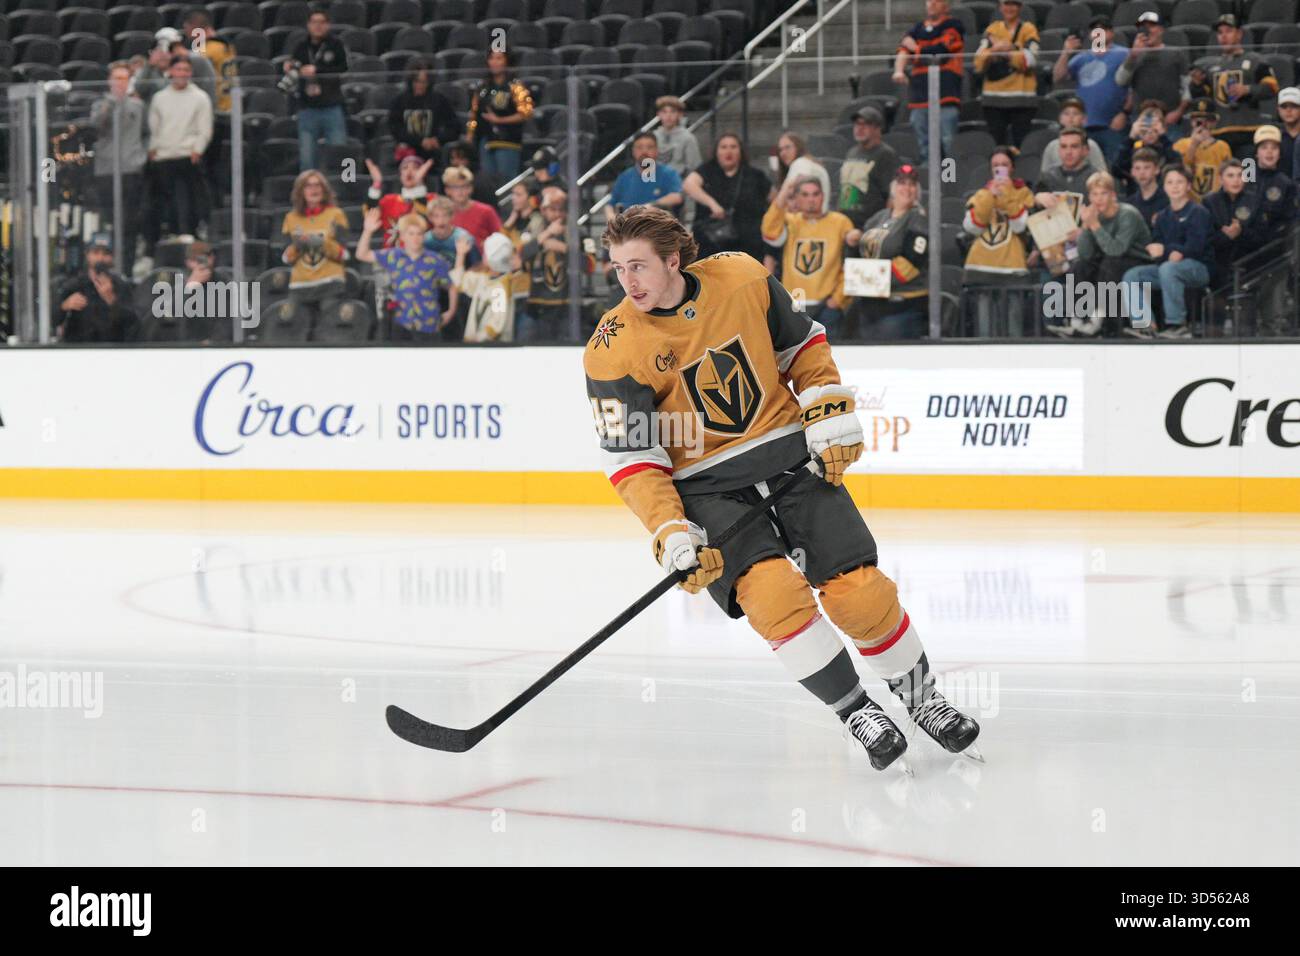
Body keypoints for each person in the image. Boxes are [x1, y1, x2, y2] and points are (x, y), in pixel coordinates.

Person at [586, 204, 980, 771]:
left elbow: (802, 345)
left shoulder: (742, 276)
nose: (628, 281)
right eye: (619, 268)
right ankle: (856, 712)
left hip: (791, 460)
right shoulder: (612, 346)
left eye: (639, 265)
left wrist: (825, 405)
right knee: (771, 595)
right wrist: (670, 529)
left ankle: (924, 701)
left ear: (673, 261)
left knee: (860, 592)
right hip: (707, 491)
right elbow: (634, 456)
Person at [1045, 171, 1152, 338]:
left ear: (1113, 195)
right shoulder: (1094, 216)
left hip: (1137, 260)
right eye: (1094, 194)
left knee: (1110, 263)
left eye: (1103, 194)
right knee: (1080, 266)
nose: (1099, 199)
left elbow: (1117, 249)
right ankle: (1077, 322)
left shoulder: (1127, 214)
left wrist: (1094, 225)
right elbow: (1086, 254)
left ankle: (1096, 322)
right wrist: (1086, 227)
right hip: (1109, 259)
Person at [1121, 165, 1213, 339]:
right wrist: (1159, 251)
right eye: (1170, 182)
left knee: (1169, 268)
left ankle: (1178, 325)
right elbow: (1158, 247)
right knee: (1132, 275)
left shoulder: (1198, 212)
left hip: (1199, 268)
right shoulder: (1162, 216)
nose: (1175, 186)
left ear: (1188, 186)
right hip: (1168, 268)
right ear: (1164, 187)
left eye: (1179, 182)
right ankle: (1145, 324)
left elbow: (1196, 247)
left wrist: (1169, 251)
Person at [762, 176, 861, 336]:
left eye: (815, 194)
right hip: (794, 305)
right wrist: (784, 192)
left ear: (823, 196)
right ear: (796, 198)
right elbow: (769, 231)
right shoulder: (790, 221)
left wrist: (838, 299)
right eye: (805, 194)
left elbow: (851, 262)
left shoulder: (840, 222)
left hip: (827, 307)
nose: (811, 199)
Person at [962, 147, 1035, 334]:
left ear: (1012, 168)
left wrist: (1008, 195)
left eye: (1004, 164)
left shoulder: (1024, 193)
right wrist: (990, 196)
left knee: (1014, 330)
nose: (999, 169)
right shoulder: (981, 194)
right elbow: (973, 227)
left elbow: (1020, 226)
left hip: (1012, 268)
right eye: (995, 165)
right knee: (985, 330)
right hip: (981, 269)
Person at [356, 208, 456, 343]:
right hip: (402, 323)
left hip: (429, 323)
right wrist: (367, 231)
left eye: (419, 234)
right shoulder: (393, 256)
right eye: (411, 234)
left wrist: (451, 311)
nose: (415, 238)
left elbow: (451, 286)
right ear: (402, 236)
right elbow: (361, 254)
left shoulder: (435, 260)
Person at [855, 165, 930, 339]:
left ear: (917, 191)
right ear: (893, 188)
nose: (907, 188)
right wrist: (853, 237)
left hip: (902, 305)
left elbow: (911, 262)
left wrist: (869, 280)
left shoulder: (918, 219)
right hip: (871, 303)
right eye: (902, 183)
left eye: (912, 184)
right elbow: (862, 250)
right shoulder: (879, 217)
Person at [89, 62, 148, 277]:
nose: (120, 83)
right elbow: (97, 125)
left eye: (124, 78)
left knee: (129, 222)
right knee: (111, 220)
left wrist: (141, 155)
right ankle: (108, 268)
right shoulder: (100, 105)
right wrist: (110, 103)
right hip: (106, 170)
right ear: (109, 81)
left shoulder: (138, 106)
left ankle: (127, 269)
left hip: (130, 169)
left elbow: (146, 132)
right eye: (117, 78)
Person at [146, 55, 212, 243]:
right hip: (163, 157)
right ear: (171, 71)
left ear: (190, 73)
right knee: (164, 202)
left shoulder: (200, 98)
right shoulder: (159, 98)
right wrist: (153, 148)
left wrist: (198, 149)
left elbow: (204, 129)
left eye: (186, 70)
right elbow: (154, 127)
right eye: (179, 69)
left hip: (187, 156)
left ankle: (189, 234)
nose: (182, 73)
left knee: (188, 201)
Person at [1187, 14, 1279, 148]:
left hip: (1248, 131)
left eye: (1228, 31)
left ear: (1239, 34)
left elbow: (1272, 87)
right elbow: (1202, 99)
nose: (1223, 36)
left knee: (1248, 162)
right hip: (1218, 134)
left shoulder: (1255, 60)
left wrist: (1247, 89)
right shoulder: (1210, 67)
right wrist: (1196, 84)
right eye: (1220, 33)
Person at [891, 0, 964, 164]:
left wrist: (916, 49)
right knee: (924, 145)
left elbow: (940, 52)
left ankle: (950, 178)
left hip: (946, 95)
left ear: (946, 6)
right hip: (920, 96)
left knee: (948, 143)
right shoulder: (917, 28)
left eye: (937, 1)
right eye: (929, 0)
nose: (932, 4)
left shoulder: (953, 25)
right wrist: (899, 70)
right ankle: (928, 176)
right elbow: (903, 49)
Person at [683, 133, 773, 262]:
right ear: (716, 151)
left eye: (733, 147)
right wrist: (712, 204)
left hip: (748, 245)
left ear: (741, 151)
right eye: (723, 147)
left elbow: (773, 200)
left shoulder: (755, 175)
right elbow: (688, 184)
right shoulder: (707, 170)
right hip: (711, 244)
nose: (728, 151)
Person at [520, 187, 594, 342]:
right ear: (543, 210)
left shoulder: (579, 233)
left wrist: (564, 248)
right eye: (553, 210)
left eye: (562, 210)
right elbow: (519, 257)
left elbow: (590, 266)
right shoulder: (532, 230)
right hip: (537, 306)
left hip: (568, 306)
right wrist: (545, 236)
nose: (558, 214)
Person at [1053, 15, 1129, 166]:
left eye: (1103, 29)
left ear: (1111, 33)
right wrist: (1066, 52)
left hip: (1112, 124)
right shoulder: (1082, 58)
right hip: (1084, 126)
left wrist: (1124, 113)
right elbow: (1058, 77)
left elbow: (1133, 86)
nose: (1099, 33)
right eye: (1095, 30)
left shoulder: (1123, 54)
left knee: (1114, 166)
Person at [280, 169, 349, 330]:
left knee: (329, 331)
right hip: (300, 286)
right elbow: (286, 258)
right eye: (308, 186)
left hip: (330, 284)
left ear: (324, 190)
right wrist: (298, 245)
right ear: (300, 191)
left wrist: (320, 242)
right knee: (292, 329)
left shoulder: (336, 214)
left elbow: (344, 254)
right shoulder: (290, 218)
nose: (314, 189)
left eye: (318, 185)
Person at [285, 6, 349, 172]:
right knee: (307, 158)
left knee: (339, 154)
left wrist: (317, 70)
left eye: (322, 22)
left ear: (328, 25)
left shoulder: (335, 45)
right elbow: (294, 70)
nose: (318, 26)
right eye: (314, 22)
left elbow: (343, 68)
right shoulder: (301, 47)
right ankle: (307, 188)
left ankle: (343, 185)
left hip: (332, 106)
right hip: (307, 108)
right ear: (308, 25)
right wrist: (290, 68)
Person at [973, 0, 1041, 148]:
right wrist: (1001, 49)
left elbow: (1030, 60)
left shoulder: (1028, 29)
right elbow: (979, 61)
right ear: (1000, 7)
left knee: (1021, 145)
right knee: (997, 147)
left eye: (1013, 4)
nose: (1009, 8)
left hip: (1022, 99)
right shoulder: (992, 29)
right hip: (993, 99)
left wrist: (1007, 48)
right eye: (1006, 4)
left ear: (1020, 7)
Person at [466, 50, 534, 183]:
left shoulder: (515, 86)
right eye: (491, 58)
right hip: (486, 140)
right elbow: (474, 114)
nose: (494, 62)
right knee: (487, 182)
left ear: (507, 61)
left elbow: (526, 113)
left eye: (499, 58)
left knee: (506, 182)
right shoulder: (482, 87)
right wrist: (470, 136)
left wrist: (499, 120)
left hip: (508, 141)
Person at [56, 233, 139, 343]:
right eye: (95, 253)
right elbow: (52, 321)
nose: (100, 258)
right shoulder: (74, 286)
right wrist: (64, 306)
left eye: (105, 254)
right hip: (78, 350)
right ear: (87, 255)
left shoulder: (121, 287)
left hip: (112, 349)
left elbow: (133, 326)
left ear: (112, 257)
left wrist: (112, 300)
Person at [1033, 128, 1094, 275]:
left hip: (1086, 254)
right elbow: (1031, 213)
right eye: (1064, 147)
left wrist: (1085, 233)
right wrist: (1036, 199)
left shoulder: (1096, 178)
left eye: (1074, 146)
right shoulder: (1047, 178)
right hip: (1052, 254)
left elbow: (1108, 218)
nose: (1068, 152)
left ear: (1085, 150)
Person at [1115, 12, 1189, 129]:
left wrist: (1178, 112)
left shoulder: (1176, 53)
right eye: (1143, 28)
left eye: (1151, 26)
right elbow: (1120, 81)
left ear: (1161, 30)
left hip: (1170, 118)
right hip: (1140, 118)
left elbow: (1186, 87)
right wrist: (1133, 55)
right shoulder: (1133, 55)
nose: (1147, 31)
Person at [388, 58, 461, 173]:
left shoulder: (439, 100)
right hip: (407, 152)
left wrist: (438, 140)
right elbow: (395, 128)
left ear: (429, 82)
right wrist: (420, 141)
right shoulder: (400, 101)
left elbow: (454, 126)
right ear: (411, 81)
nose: (420, 85)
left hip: (432, 152)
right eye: (417, 81)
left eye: (424, 82)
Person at [1204, 158, 1265, 286]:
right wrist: (1226, 236)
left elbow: (1262, 238)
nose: (1236, 180)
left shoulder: (1255, 201)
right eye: (1230, 176)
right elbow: (1206, 240)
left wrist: (1241, 232)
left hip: (1248, 264)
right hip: (1218, 265)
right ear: (1221, 179)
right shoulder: (1210, 202)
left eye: (1239, 175)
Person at [837, 107, 899, 229]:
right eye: (857, 124)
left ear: (878, 128)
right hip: (846, 222)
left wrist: (883, 226)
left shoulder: (885, 154)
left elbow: (892, 195)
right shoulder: (851, 153)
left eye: (865, 125)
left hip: (869, 224)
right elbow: (844, 187)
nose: (859, 129)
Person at [454, 232, 518, 343]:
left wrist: (476, 340)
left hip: (492, 347)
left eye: (486, 253)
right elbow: (459, 281)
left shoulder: (500, 288)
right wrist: (461, 255)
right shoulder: (484, 278)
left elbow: (495, 326)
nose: (483, 255)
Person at [606, 133, 685, 221]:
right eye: (639, 147)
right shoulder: (624, 177)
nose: (644, 151)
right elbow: (610, 204)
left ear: (657, 151)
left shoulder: (669, 173)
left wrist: (651, 205)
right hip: (630, 226)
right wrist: (611, 217)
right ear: (633, 151)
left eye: (649, 147)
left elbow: (677, 196)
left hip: (659, 225)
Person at [364, 155, 433, 248]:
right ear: (400, 175)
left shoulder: (432, 199)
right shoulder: (389, 200)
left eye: (415, 168)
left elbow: (424, 221)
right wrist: (376, 184)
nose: (409, 171)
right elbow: (370, 216)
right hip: (391, 254)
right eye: (405, 168)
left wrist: (419, 183)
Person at [1247, 125, 1297, 249]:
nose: (1269, 152)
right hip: (1242, 244)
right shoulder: (1245, 177)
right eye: (1264, 147)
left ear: (1279, 154)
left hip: (1272, 247)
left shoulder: (1286, 184)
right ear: (1256, 153)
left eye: (1274, 148)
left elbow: (1289, 221)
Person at [1173, 100, 1232, 202]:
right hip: (1187, 201)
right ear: (1191, 122)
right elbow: (1180, 171)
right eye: (1198, 121)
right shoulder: (1180, 145)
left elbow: (1227, 174)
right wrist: (1194, 144)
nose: (1202, 124)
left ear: (1214, 122)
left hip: (1215, 201)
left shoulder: (1223, 147)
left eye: (1207, 120)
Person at [1112, 101, 1180, 189]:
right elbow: (1116, 170)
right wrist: (1131, 138)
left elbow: (1177, 165)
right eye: (1145, 129)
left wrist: (1163, 137)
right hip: (1135, 193)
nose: (1149, 133)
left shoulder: (1166, 149)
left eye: (1154, 129)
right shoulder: (1132, 150)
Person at [181, 9, 235, 114]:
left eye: (186, 28)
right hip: (230, 103)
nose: (186, 33)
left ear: (195, 28)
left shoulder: (207, 50)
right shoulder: (226, 45)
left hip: (217, 106)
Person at [442, 166, 503, 254]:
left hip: (483, 260)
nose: (460, 191)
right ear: (447, 190)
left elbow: (501, 239)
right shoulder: (442, 214)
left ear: (470, 188)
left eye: (464, 186)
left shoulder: (486, 211)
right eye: (455, 187)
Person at [1040, 97, 1107, 176]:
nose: (1071, 117)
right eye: (1066, 113)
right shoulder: (1051, 146)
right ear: (1060, 119)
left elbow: (1103, 176)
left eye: (1075, 113)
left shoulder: (1091, 145)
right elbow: (1044, 176)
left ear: (1084, 119)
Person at [774, 132, 830, 213]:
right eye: (780, 150)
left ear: (798, 147)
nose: (783, 153)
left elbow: (782, 201)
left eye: (787, 147)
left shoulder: (800, 163)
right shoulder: (806, 162)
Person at [653, 96, 702, 175]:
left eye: (673, 111)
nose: (668, 115)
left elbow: (694, 168)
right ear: (658, 114)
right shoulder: (652, 137)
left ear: (680, 115)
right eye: (664, 112)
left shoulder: (688, 138)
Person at [1125, 147, 1169, 227]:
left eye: (1147, 167)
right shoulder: (1129, 205)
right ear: (1132, 172)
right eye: (1137, 168)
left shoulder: (1168, 201)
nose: (1142, 172)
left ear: (1156, 170)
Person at [1274, 88, 1300, 181]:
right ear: (1278, 109)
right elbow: (1249, 161)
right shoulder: (1273, 136)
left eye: (1294, 106)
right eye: (1284, 106)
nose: (1288, 110)